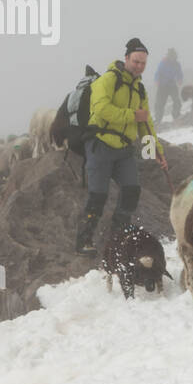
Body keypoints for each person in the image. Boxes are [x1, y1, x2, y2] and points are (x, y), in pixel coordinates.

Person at [73, 37, 169, 256]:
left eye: (143, 63)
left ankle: (116, 237)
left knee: (132, 190)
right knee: (98, 195)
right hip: (100, 144)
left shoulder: (140, 90)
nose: (139, 66)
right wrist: (132, 115)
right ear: (126, 58)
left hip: (124, 150)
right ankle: (84, 240)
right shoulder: (107, 80)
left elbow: (146, 124)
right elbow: (102, 109)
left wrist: (156, 151)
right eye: (136, 61)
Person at [154, 47, 184, 122]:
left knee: (177, 100)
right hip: (162, 85)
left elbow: (179, 73)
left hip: (172, 84)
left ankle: (176, 115)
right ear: (168, 56)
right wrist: (156, 80)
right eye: (171, 56)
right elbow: (158, 72)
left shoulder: (177, 64)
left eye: (174, 56)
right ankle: (158, 119)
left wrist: (179, 79)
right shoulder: (163, 62)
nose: (172, 58)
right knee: (160, 103)